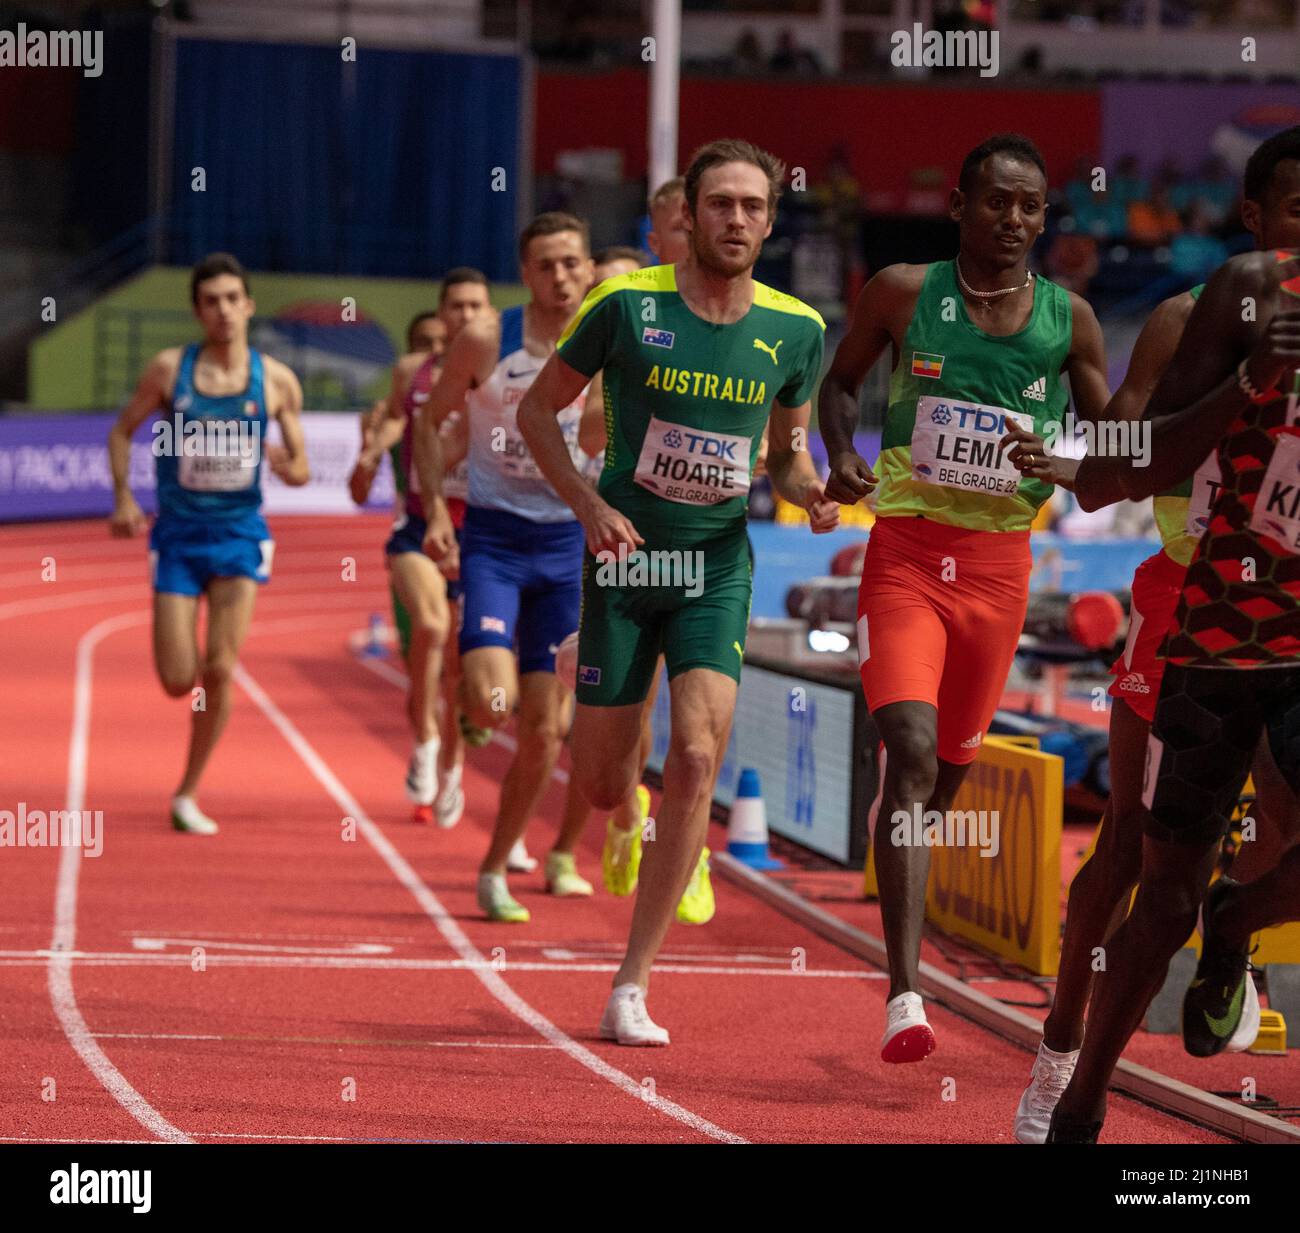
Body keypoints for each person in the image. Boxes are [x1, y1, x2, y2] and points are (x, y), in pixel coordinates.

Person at [519, 138, 838, 1044]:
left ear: (771, 221)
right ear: (688, 215)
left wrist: (809, 493)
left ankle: (632, 984)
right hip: (622, 563)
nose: (736, 220)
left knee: (698, 753)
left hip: (712, 567)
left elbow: (785, 455)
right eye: (720, 204)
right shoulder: (625, 305)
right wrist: (585, 505)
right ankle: (630, 811)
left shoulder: (798, 330)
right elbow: (539, 410)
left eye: (752, 206)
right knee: (604, 777)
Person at [1014, 133, 1300, 1140]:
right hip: (1195, 606)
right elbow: (1124, 456)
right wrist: (1084, 463)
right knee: (1136, 854)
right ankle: (1064, 1060)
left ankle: (1238, 933)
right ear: (1256, 220)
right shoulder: (1201, 311)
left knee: (1266, 829)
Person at [818, 133, 1110, 1063]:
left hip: (999, 572)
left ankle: (900, 833)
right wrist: (842, 455)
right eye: (997, 202)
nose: (1016, 220)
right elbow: (840, 382)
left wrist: (1060, 460)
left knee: (939, 783)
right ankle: (906, 993)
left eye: (1032, 206)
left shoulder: (1073, 322)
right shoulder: (904, 291)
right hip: (905, 555)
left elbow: (1115, 452)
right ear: (959, 206)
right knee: (907, 749)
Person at [419, 214, 602, 920]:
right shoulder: (485, 339)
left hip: (566, 548)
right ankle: (470, 702)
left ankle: (494, 865)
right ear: (525, 274)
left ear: (589, 269)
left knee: (545, 730)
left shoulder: (611, 340)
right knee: (495, 704)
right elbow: (431, 422)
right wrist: (436, 509)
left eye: (571, 263)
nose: (560, 277)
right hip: (493, 540)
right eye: (546, 265)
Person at [108, 252, 308, 834]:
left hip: (240, 536)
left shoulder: (274, 381)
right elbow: (122, 432)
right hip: (178, 536)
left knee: (220, 667)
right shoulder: (170, 371)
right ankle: (193, 719)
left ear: (248, 305)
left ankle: (188, 790)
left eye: (231, 299)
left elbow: (298, 467)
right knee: (178, 680)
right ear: (198, 311)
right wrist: (123, 498)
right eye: (210, 301)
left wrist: (285, 464)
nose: (223, 310)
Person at [352, 274, 494, 825]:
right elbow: (394, 417)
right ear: (441, 313)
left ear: (487, 312)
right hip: (416, 527)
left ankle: (454, 770)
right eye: (455, 306)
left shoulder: (503, 373)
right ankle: (426, 743)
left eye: (474, 305)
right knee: (431, 628)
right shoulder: (412, 373)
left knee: (459, 671)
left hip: (481, 533)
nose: (463, 315)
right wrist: (370, 449)